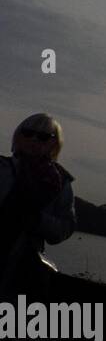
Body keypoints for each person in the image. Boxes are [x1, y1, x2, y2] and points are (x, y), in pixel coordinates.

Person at [0, 113, 76, 302]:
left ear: (54, 144)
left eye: (43, 136)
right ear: (18, 136)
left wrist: (38, 220)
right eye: (28, 133)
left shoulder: (61, 183)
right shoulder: (2, 168)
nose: (34, 139)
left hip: (19, 272)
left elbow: (65, 227)